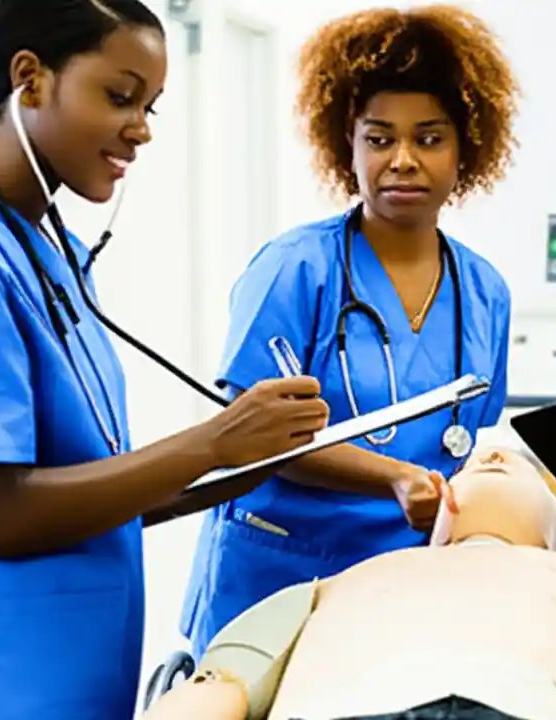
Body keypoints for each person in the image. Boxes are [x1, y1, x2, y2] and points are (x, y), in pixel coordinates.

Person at [0, 2, 328, 718]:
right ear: (30, 79)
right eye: (120, 96)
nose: (142, 128)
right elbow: (2, 517)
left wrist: (240, 464)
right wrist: (211, 441)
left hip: (58, 688)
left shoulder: (47, 251)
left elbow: (87, 489)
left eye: (151, 106)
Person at [180, 4, 521, 654]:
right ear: (348, 144)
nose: (402, 160)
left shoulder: (485, 292)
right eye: (379, 137)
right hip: (277, 580)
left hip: (408, 588)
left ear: (465, 148)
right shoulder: (295, 269)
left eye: (428, 137)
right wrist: (391, 477)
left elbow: (471, 441)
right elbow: (250, 435)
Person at [146, 448, 556, 720]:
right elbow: (223, 680)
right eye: (470, 464)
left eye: (518, 467)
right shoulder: (346, 583)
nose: (492, 459)